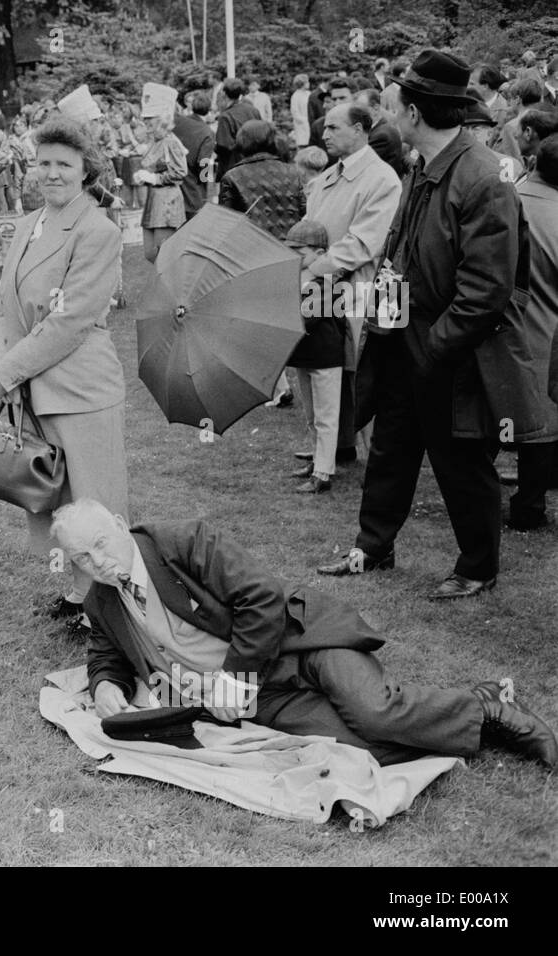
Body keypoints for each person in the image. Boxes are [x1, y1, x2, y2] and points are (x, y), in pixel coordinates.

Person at [52, 499, 557, 768]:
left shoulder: (180, 541)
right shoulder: (100, 597)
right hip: (263, 697)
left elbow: (263, 598)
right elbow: (106, 652)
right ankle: (472, 707)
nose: (98, 562)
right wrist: (104, 685)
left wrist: (234, 678)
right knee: (358, 750)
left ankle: (492, 712)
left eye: (101, 543)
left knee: (375, 712)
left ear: (119, 523)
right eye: (82, 558)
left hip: (304, 643)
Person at [318, 50, 526, 601]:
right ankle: (373, 546)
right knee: (391, 448)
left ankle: (478, 566)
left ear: (413, 113)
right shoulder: (421, 166)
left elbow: (486, 291)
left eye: (394, 106)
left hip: (449, 352)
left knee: (461, 463)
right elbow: (406, 249)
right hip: (400, 336)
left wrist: (434, 349)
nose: (390, 116)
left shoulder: (481, 177)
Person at [0, 117, 128, 638]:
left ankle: (108, 604)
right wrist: (11, 369)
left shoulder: (98, 229)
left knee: (96, 500)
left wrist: (8, 368)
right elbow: (4, 305)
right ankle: (78, 590)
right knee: (58, 498)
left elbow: (71, 320)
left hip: (80, 387)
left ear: (86, 169)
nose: (51, 173)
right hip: (32, 383)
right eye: (43, 163)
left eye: (63, 165)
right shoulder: (27, 223)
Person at [300, 102, 402, 477]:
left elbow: (364, 243)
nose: (324, 135)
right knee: (319, 364)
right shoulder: (329, 176)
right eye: (325, 128)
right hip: (324, 285)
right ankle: (333, 448)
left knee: (364, 370)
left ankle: (378, 458)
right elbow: (310, 227)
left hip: (363, 288)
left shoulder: (382, 178)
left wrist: (313, 266)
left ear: (360, 130)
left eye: (333, 128)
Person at [505, 135, 558, 529]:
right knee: (543, 423)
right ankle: (529, 507)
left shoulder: (508, 199)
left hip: (509, 325)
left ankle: (527, 504)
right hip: (547, 330)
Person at [284, 220, 345, 494]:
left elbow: (308, 319)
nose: (295, 255)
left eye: (301, 250)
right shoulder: (303, 277)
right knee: (312, 415)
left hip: (326, 357)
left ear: (320, 252)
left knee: (326, 416)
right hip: (306, 356)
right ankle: (317, 459)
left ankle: (323, 472)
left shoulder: (328, 280)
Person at [217, 120, 305, 240]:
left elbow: (225, 222)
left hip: (252, 245)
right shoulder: (292, 171)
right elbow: (303, 211)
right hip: (290, 245)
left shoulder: (232, 177)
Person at [132, 87, 187, 263]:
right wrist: (142, 177)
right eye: (146, 121)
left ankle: (168, 288)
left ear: (162, 120)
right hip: (153, 199)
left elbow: (180, 172)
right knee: (150, 253)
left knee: (164, 255)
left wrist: (155, 178)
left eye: (151, 121)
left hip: (167, 201)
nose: (147, 125)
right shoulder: (155, 141)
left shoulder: (171, 141)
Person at [172, 92, 214, 221]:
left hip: (172, 180)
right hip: (193, 187)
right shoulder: (207, 132)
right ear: (209, 111)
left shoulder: (177, 122)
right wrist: (205, 185)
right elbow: (204, 163)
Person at [213, 76, 259, 179]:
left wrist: (214, 147)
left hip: (234, 166)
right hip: (254, 162)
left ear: (224, 94)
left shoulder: (225, 116)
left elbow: (224, 145)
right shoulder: (253, 110)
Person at [290, 73, 312, 147]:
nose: (309, 83)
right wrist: (306, 120)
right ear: (302, 83)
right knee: (303, 146)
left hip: (311, 124)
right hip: (302, 126)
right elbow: (295, 114)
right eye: (307, 82)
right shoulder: (295, 96)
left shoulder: (309, 94)